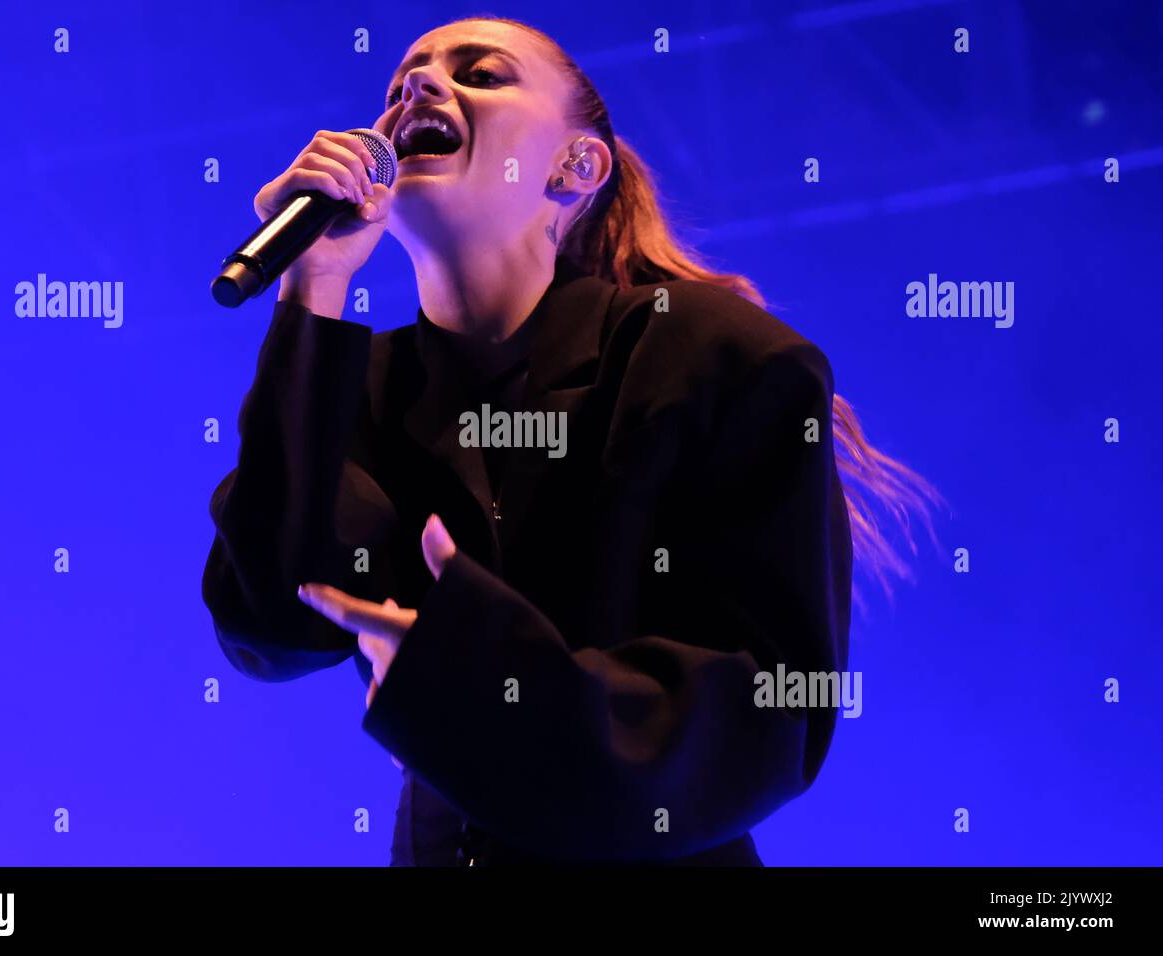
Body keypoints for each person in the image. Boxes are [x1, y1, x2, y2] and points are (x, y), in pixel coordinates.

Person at [201, 16, 939, 866]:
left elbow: (764, 717)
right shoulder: (362, 387)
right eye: (398, 84)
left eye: (481, 74)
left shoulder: (711, 356)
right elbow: (270, 623)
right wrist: (315, 284)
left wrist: (476, 673)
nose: (417, 92)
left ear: (576, 165)